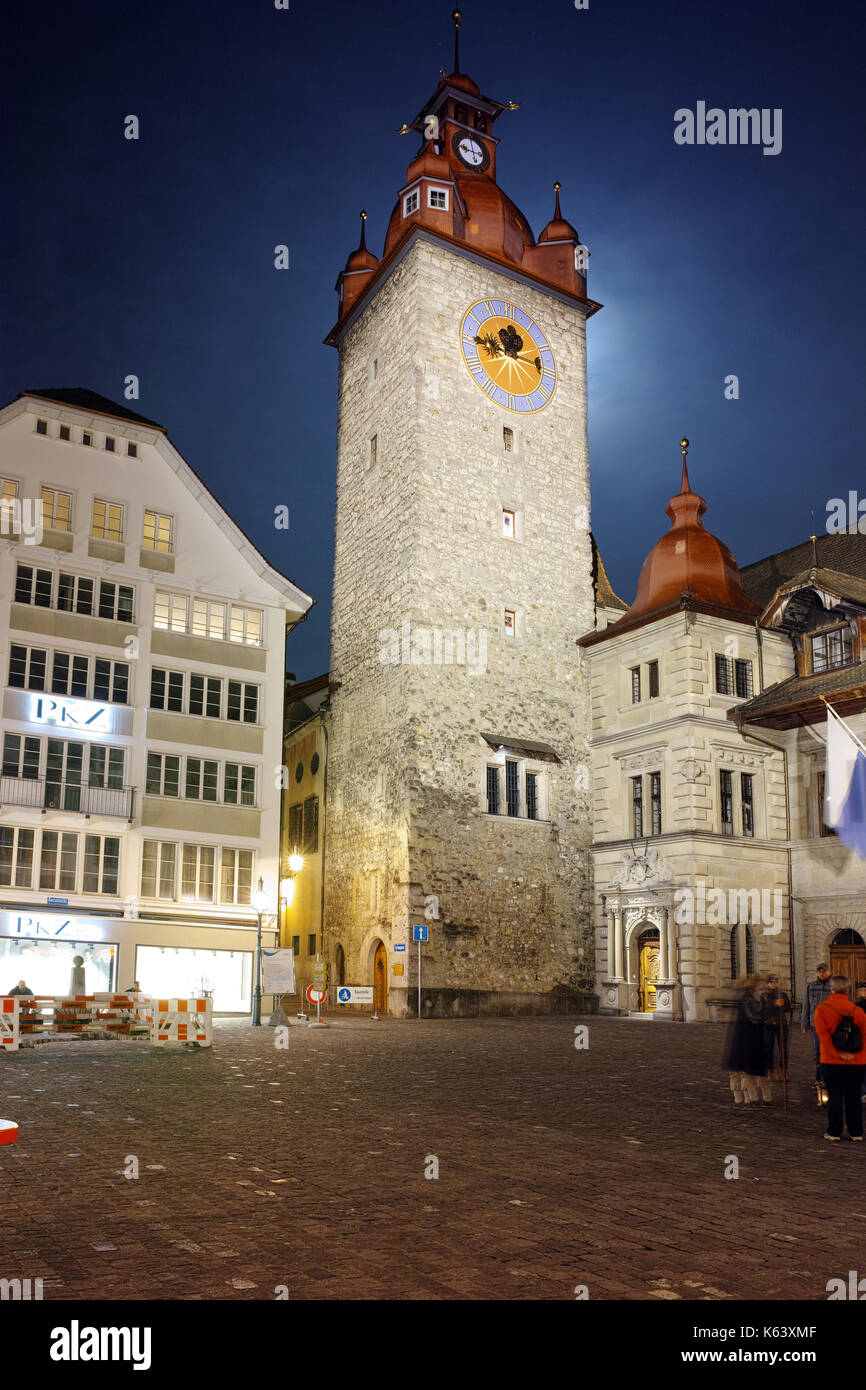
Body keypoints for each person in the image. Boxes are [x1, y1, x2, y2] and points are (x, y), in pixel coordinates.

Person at [814, 975, 866, 1142]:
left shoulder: (822, 1008)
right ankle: (856, 1131)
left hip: (831, 1060)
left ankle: (835, 1131)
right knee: (854, 1096)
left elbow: (823, 1037)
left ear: (832, 988)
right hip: (857, 1061)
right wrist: (855, 1055)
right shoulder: (858, 1011)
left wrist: (838, 1054)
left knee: (835, 1097)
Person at [723, 974, 773, 1105]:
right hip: (746, 1038)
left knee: (750, 1068)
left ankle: (751, 1097)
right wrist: (773, 1008)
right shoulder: (747, 998)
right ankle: (748, 1097)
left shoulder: (754, 997)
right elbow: (756, 1017)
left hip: (749, 1037)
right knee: (746, 1069)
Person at [801, 962, 832, 1103]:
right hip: (815, 1024)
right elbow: (806, 1005)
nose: (822, 973)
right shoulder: (811, 986)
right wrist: (804, 1023)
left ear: (829, 972)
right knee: (817, 1052)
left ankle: (828, 1077)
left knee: (828, 1051)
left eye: (824, 971)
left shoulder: (833, 986)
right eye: (819, 971)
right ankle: (819, 1078)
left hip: (829, 1024)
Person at [761, 974, 792, 1081]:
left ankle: (783, 1072)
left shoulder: (782, 994)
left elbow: (788, 1008)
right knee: (769, 1049)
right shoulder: (764, 995)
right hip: (769, 1025)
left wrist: (783, 1005)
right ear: (768, 983)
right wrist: (775, 1005)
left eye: (775, 981)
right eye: (772, 982)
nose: (774, 984)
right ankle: (770, 1071)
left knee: (783, 1049)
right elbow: (764, 1012)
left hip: (781, 1024)